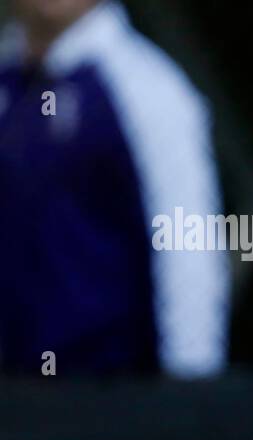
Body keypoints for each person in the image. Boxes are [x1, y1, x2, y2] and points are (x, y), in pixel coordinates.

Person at [0, 0, 229, 377]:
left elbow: (190, 254)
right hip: (16, 409)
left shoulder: (149, 89)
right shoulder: (9, 81)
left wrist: (187, 414)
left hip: (113, 406)